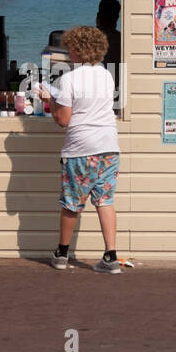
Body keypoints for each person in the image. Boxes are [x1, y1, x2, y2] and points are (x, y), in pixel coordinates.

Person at [39, 26, 120, 273]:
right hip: (108, 147)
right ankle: (111, 257)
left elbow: (63, 120)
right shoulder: (106, 74)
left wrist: (48, 100)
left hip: (80, 149)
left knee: (72, 204)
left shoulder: (68, 79)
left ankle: (62, 254)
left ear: (76, 49)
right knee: (105, 201)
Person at [96, 0, 122, 95]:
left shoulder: (87, 41)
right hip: (117, 93)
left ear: (98, 16)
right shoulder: (122, 41)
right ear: (117, 18)